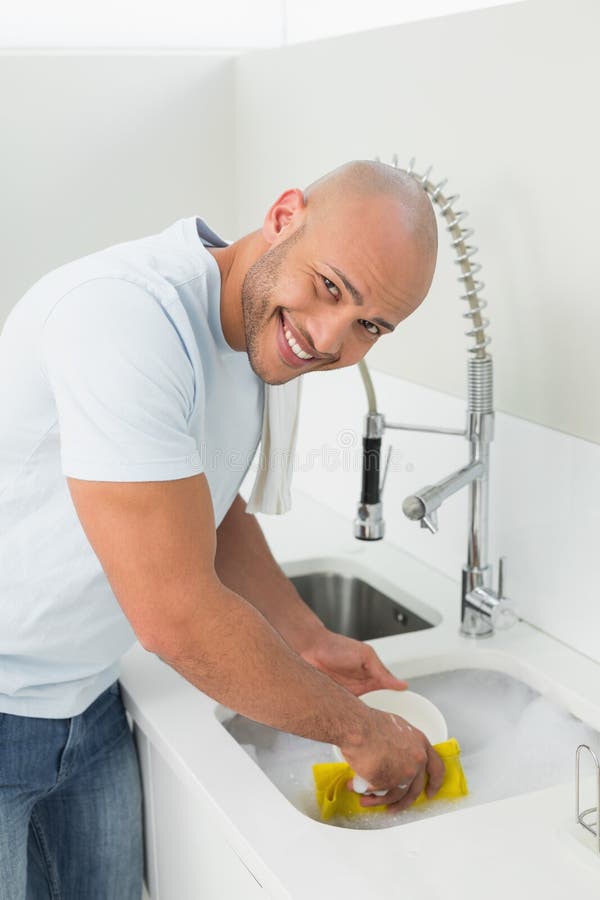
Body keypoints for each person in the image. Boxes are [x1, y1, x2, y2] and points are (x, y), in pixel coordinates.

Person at [0, 160, 442, 899]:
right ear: (282, 216)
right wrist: (360, 731)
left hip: (88, 702)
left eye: (369, 325)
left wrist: (306, 636)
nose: (329, 338)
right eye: (331, 287)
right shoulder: (127, 317)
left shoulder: (248, 334)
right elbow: (175, 617)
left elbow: (208, 505)